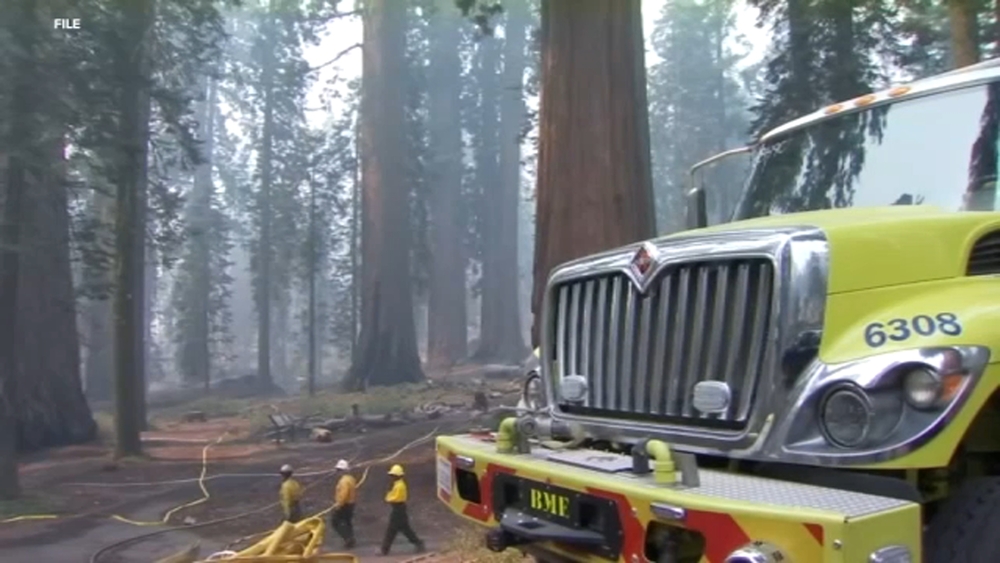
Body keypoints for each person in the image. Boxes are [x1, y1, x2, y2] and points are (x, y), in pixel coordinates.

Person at [380, 464, 425, 555]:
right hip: (400, 509)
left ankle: (384, 550)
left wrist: (388, 496)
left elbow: (394, 498)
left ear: (396, 476)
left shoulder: (399, 486)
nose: (391, 477)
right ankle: (418, 543)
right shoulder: (398, 484)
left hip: (398, 509)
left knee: (391, 530)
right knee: (406, 530)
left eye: (392, 475)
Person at [330, 459, 357, 549]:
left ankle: (347, 538)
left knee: (335, 522)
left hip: (344, 505)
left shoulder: (344, 481)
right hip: (351, 504)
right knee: (347, 522)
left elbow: (344, 494)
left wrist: (339, 504)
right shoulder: (351, 479)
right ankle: (351, 539)